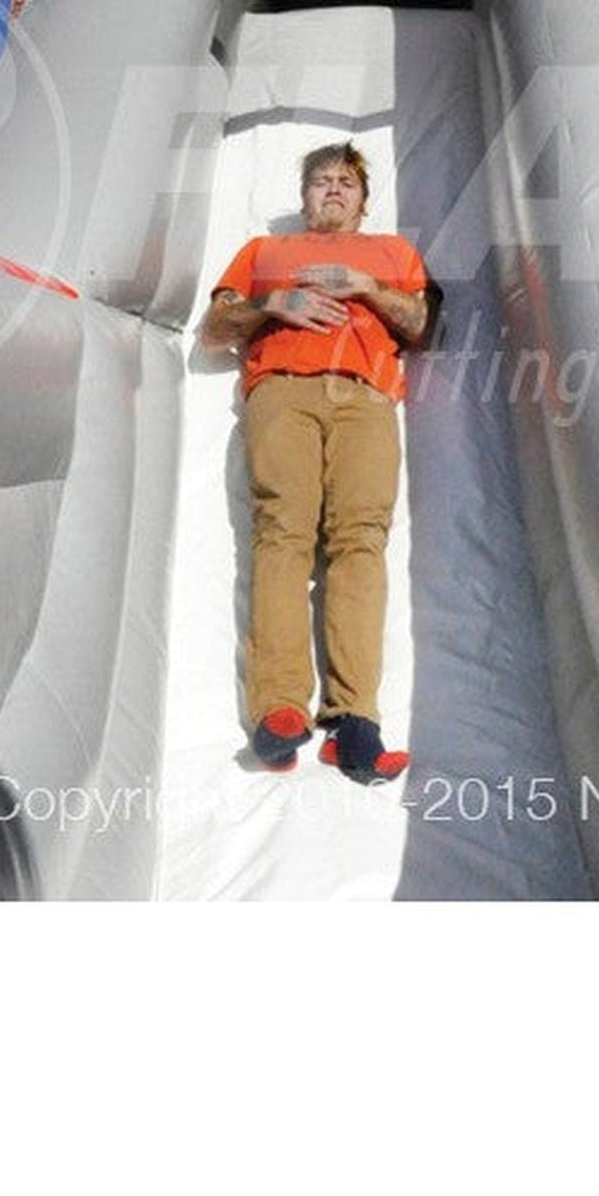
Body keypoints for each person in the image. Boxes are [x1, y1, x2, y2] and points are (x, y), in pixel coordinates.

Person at [201, 140, 437, 780]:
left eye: (345, 183)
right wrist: (272, 305)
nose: (332, 189)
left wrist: (365, 286)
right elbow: (215, 327)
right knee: (283, 534)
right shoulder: (265, 253)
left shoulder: (392, 253)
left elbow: (422, 325)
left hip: (365, 398)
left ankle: (354, 720)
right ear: (304, 197)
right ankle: (278, 707)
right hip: (282, 389)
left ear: (363, 202)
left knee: (361, 541)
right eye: (319, 182)